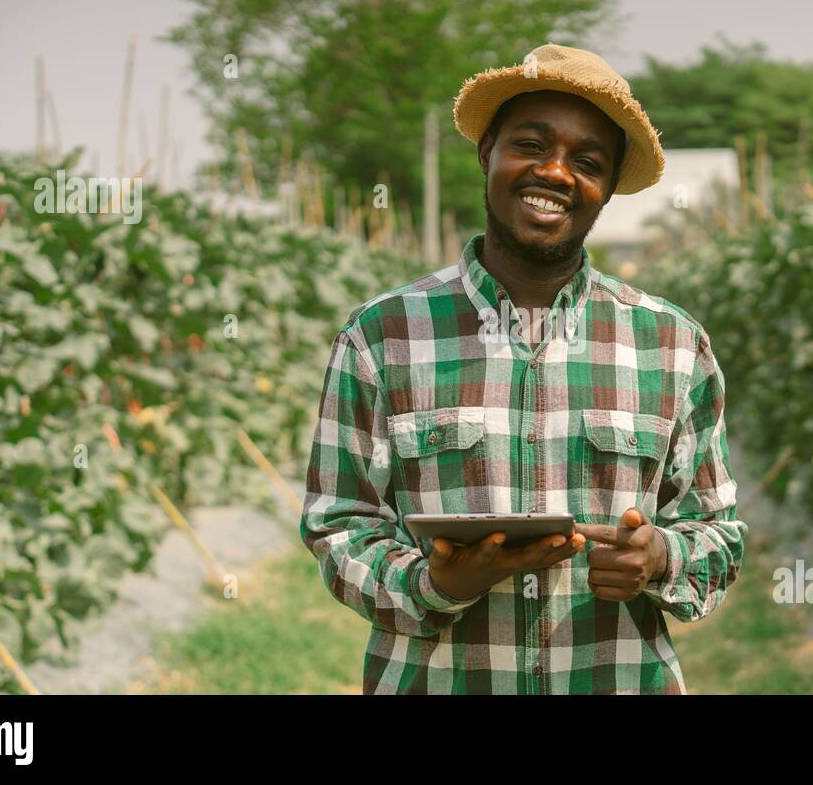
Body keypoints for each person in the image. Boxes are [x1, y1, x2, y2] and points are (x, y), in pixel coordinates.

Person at [301, 43, 744, 694]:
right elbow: (338, 524)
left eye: (587, 161)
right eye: (530, 145)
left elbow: (718, 534)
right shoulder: (382, 336)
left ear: (608, 186)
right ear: (488, 154)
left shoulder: (672, 344)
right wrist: (433, 583)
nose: (556, 172)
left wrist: (660, 556)